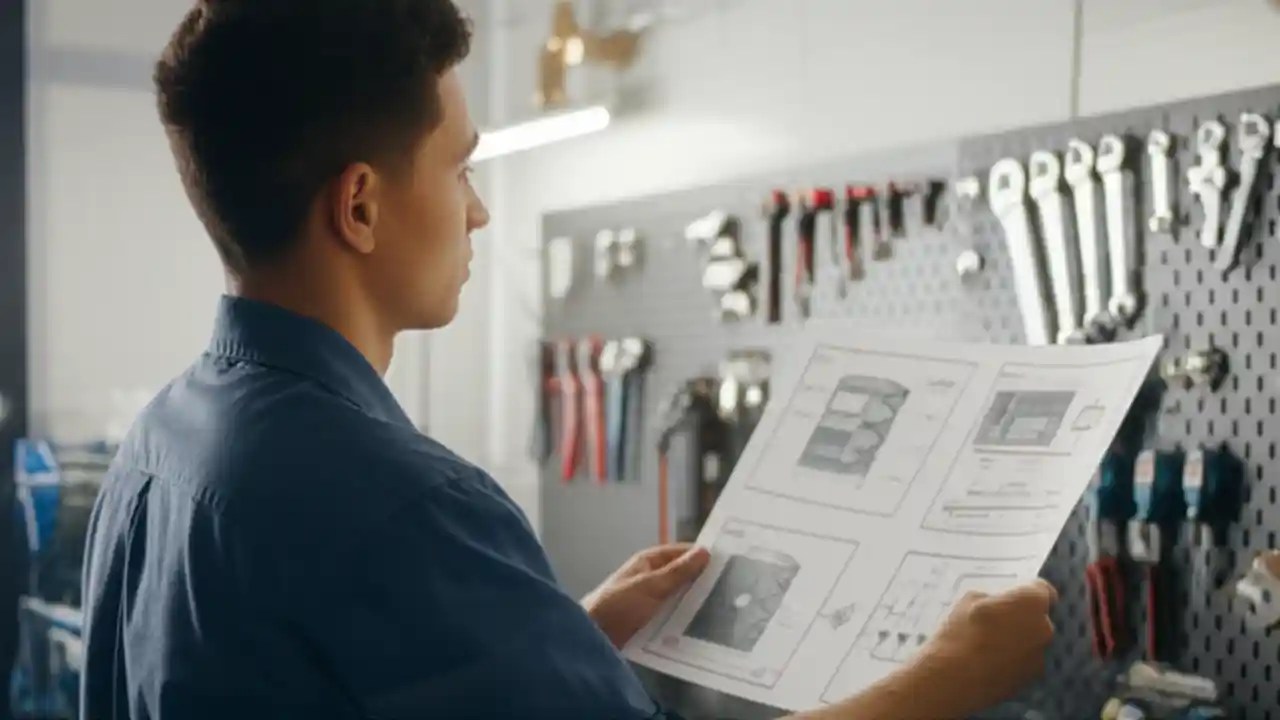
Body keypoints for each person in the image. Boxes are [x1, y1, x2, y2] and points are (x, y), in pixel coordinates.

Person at [79, 1, 1059, 718]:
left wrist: (564, 635)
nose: (479, 210)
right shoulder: (399, 507)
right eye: (461, 170)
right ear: (361, 206)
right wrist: (946, 679)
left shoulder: (162, 444)